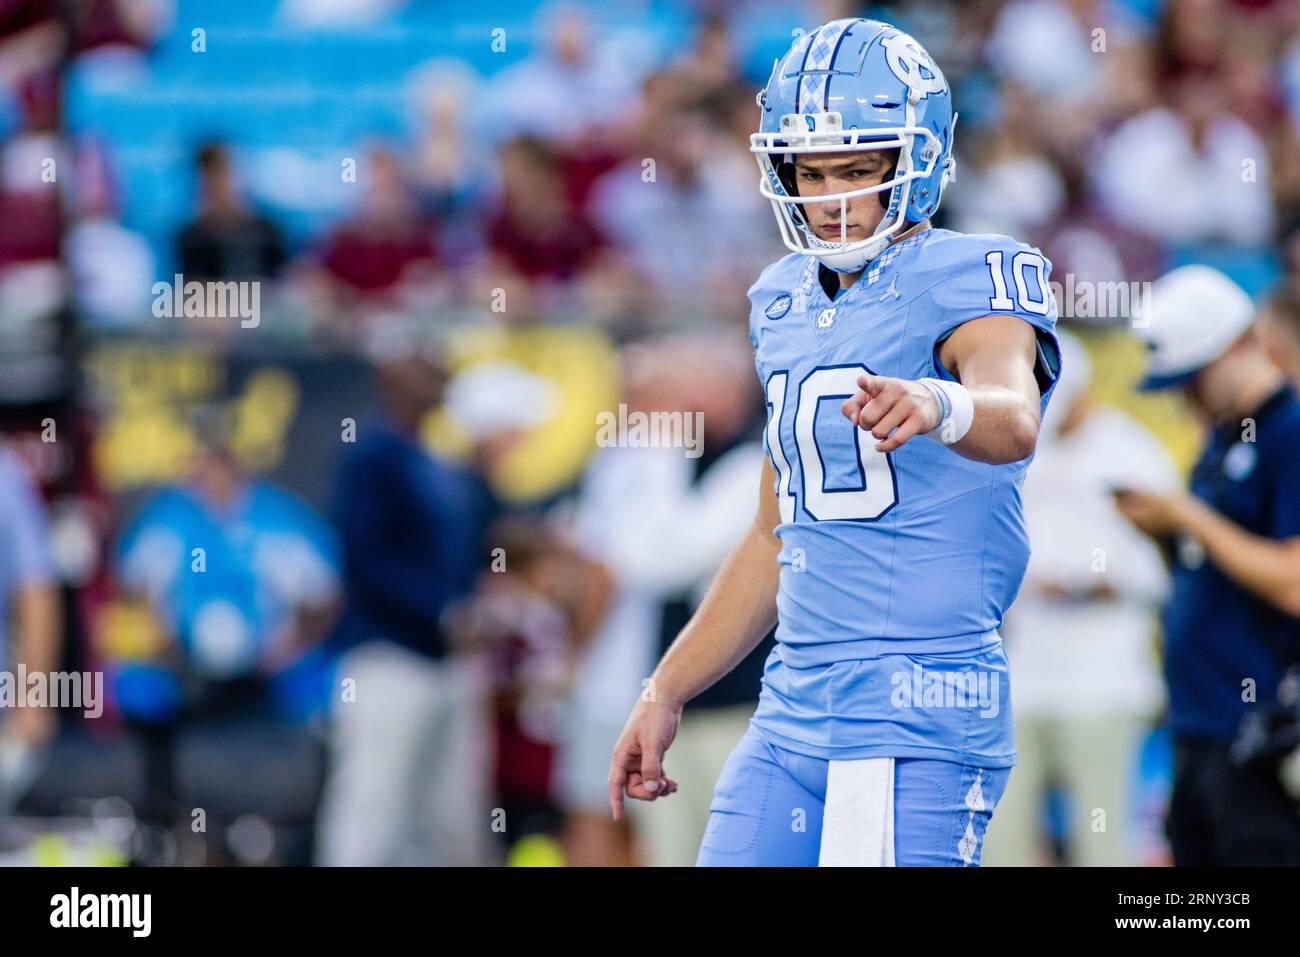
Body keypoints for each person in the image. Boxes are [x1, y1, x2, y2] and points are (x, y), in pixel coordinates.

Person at [608, 18, 1061, 867]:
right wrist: (666, 687)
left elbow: (1013, 413)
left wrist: (938, 402)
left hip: (918, 704)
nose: (832, 196)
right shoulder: (779, 300)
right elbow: (771, 536)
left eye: (857, 168)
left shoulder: (973, 270)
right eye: (811, 172)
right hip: (792, 708)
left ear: (915, 159)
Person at [1115, 265, 1300, 866]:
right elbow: (1214, 576)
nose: (1183, 398)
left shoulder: (1288, 434)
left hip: (1257, 734)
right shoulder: (1222, 442)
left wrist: (1189, 518)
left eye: (1192, 381)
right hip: (1199, 726)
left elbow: (1293, 582)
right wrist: (1165, 533)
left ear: (1234, 347)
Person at [981, 332, 1174, 867]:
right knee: (1002, 845)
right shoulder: (1015, 451)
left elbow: (1164, 569)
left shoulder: (1131, 453)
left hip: (1104, 682)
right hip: (1023, 679)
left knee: (1102, 843)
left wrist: (1090, 581)